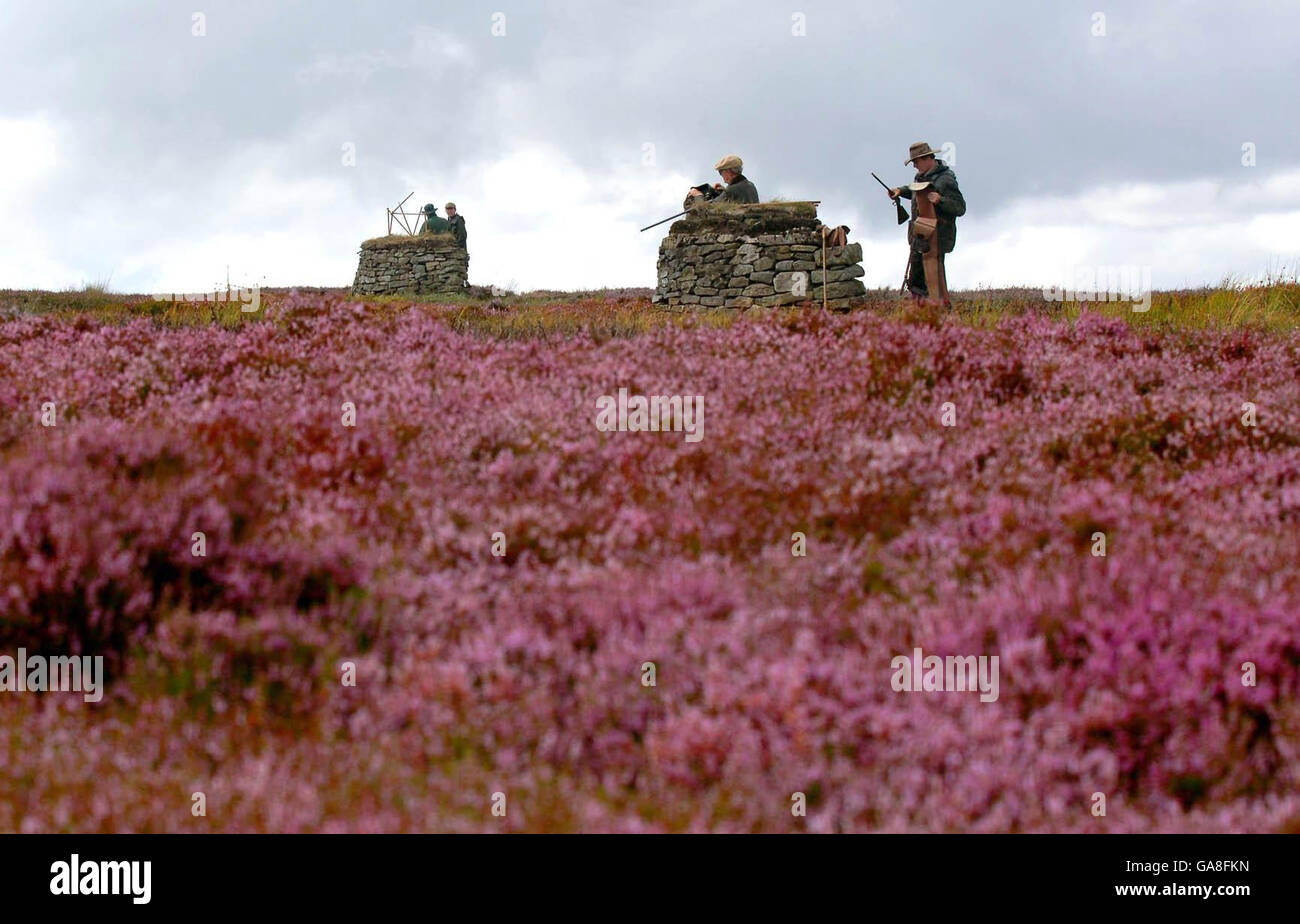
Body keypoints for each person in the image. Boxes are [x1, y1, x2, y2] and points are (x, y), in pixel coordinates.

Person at [887, 142, 966, 299]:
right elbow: (916, 191)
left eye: (916, 162)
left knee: (934, 279)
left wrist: (940, 200)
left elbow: (960, 207)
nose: (915, 166)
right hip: (922, 237)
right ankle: (921, 313)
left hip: (937, 238)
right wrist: (900, 191)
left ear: (927, 158)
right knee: (917, 279)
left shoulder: (946, 180)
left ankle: (937, 312)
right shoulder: (921, 177)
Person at [683, 154, 758, 209]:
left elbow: (707, 209)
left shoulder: (731, 190)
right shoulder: (750, 185)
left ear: (728, 171)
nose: (723, 179)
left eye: (721, 172)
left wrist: (698, 195)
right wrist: (723, 191)